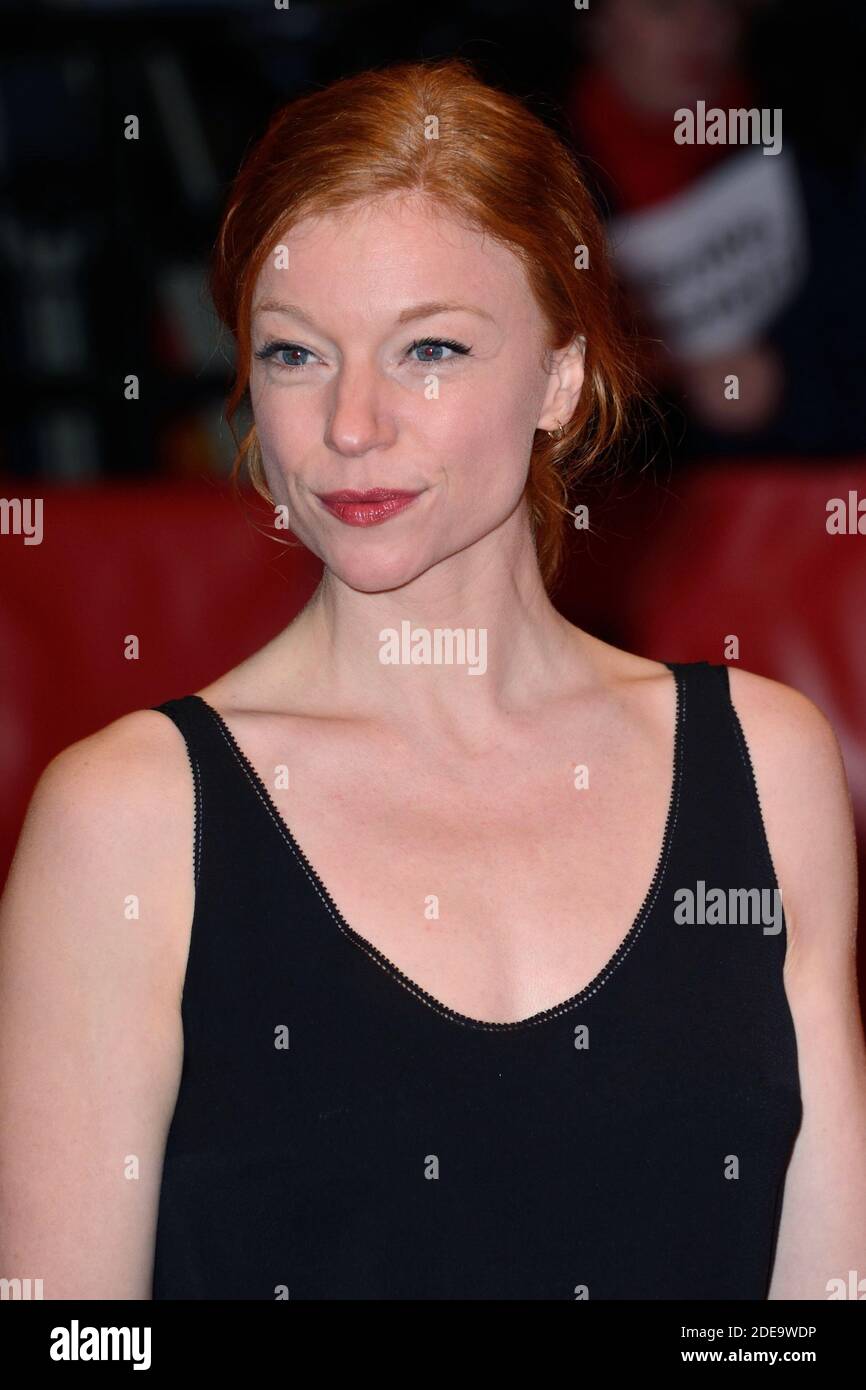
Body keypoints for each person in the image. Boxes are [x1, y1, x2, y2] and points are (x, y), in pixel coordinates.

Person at [0, 57, 863, 1302]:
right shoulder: (127, 821)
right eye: (294, 355)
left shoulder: (763, 767)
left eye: (430, 349)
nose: (352, 424)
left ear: (559, 379)